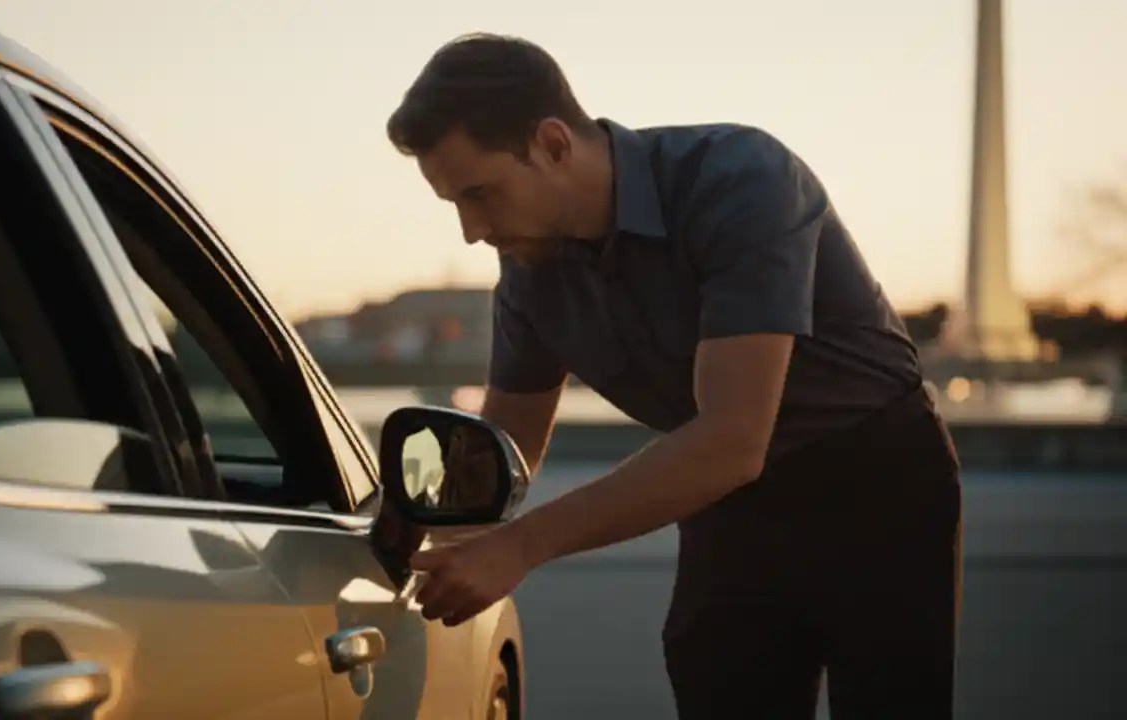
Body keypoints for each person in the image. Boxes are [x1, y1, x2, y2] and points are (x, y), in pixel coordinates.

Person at [386, 33, 963, 719]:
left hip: (877, 484)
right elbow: (500, 454)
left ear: (553, 144)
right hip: (726, 505)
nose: (471, 232)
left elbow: (732, 438)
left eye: (481, 194)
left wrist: (520, 545)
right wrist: (392, 532)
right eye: (454, 203)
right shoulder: (529, 275)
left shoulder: (742, 179)